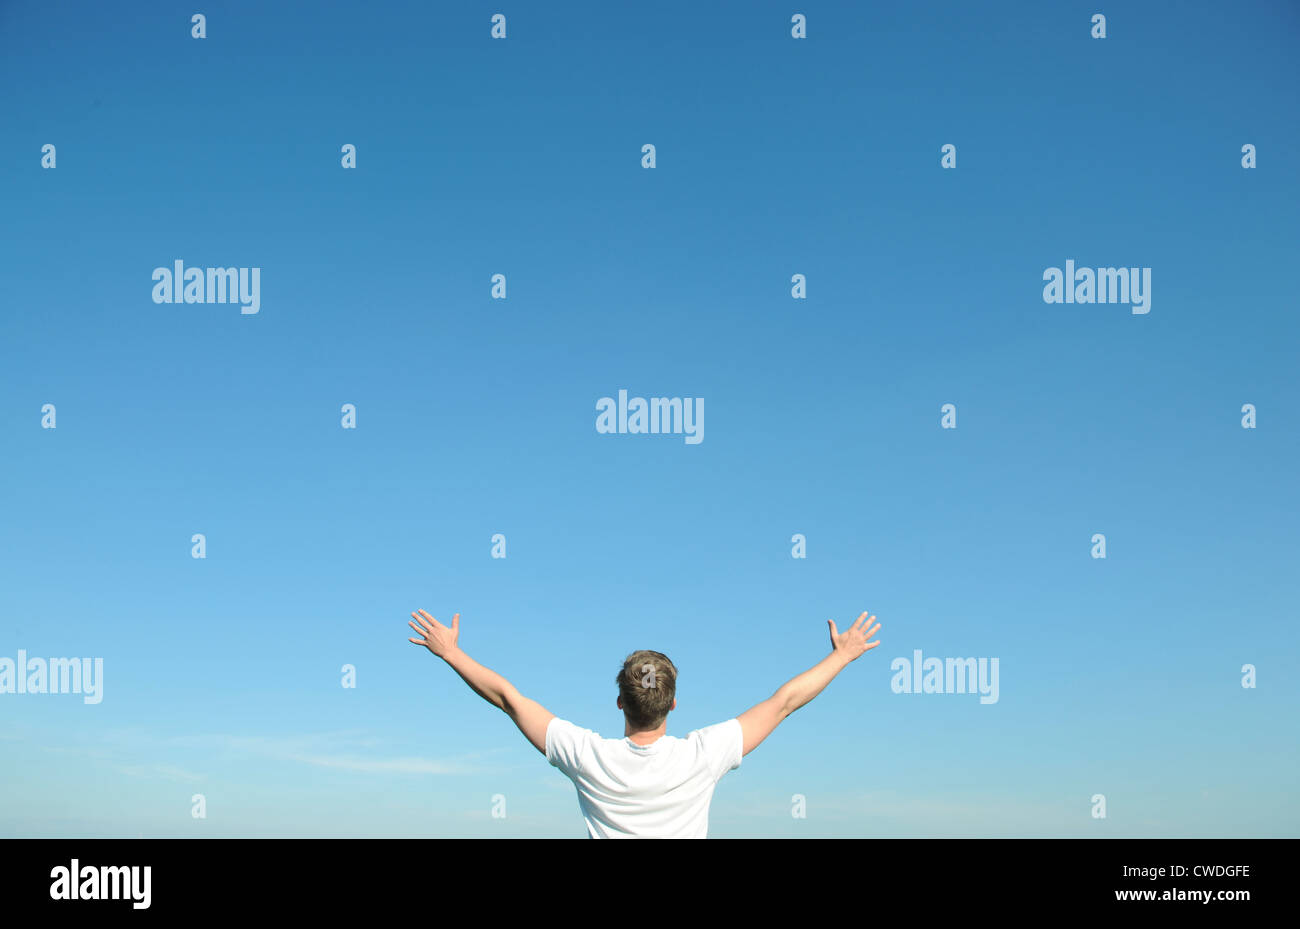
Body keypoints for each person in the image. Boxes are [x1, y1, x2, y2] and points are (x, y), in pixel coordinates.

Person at [407, 609, 882, 838]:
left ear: (619, 702)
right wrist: (841, 656)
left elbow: (510, 700)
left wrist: (450, 652)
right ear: (673, 705)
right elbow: (783, 703)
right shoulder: (704, 754)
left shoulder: (588, 755)